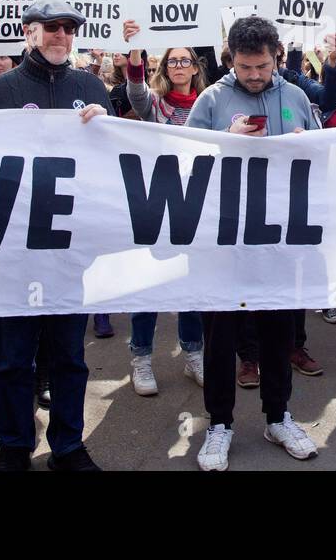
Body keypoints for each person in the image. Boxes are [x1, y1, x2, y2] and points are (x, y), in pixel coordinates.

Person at [0, 0, 113, 471]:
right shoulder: (0, 89)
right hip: (16, 248)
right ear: (28, 32)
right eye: (50, 28)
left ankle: (68, 445)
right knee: (13, 359)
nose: (60, 36)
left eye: (68, 29)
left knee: (69, 356)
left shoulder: (91, 87)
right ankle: (14, 446)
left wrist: (104, 127)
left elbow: (110, 165)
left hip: (70, 248)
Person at [185, 15, 322, 470]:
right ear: (231, 60)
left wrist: (309, 146)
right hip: (224, 243)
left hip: (281, 242)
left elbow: (326, 159)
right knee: (220, 336)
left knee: (278, 332)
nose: (255, 75)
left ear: (276, 56)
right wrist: (225, 140)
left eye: (262, 65)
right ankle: (219, 423)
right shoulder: (211, 99)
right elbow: (183, 163)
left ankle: (278, 416)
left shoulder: (298, 97)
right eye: (245, 67)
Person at [100, 23, 207, 395]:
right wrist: (135, 51)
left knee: (191, 285)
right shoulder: (155, 104)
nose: (178, 65)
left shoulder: (208, 103)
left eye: (185, 60)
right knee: (148, 284)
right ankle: (141, 358)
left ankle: (194, 354)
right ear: (165, 68)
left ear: (195, 67)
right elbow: (135, 90)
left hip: (194, 206)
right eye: (172, 60)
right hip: (155, 204)